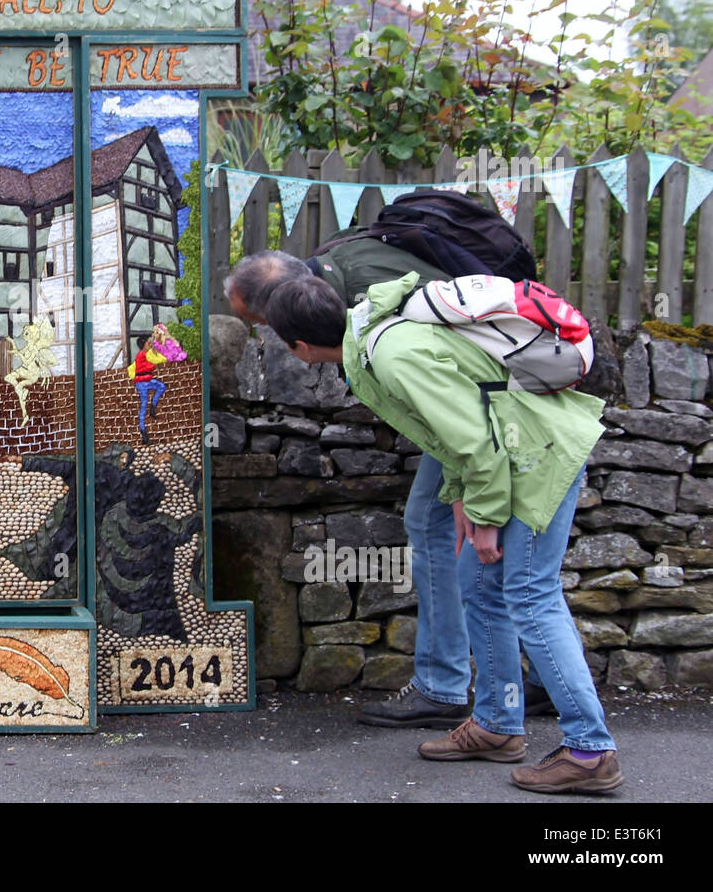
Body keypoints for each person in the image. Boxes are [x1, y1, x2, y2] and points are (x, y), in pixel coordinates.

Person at [264, 273, 622, 793]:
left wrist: (485, 515)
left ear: (297, 347)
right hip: (515, 453)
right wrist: (460, 498)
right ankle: (499, 726)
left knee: (528, 593)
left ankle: (590, 750)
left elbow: (475, 442)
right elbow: (458, 420)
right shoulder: (372, 340)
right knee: (478, 585)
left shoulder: (390, 353)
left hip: (536, 454)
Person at [226, 249, 554, 727]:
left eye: (260, 322)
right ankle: (523, 692)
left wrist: (475, 504)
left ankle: (452, 690)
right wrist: (462, 492)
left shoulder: (372, 340)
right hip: (504, 413)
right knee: (499, 561)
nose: (264, 333)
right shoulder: (347, 280)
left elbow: (456, 427)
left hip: (500, 421)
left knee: (477, 557)